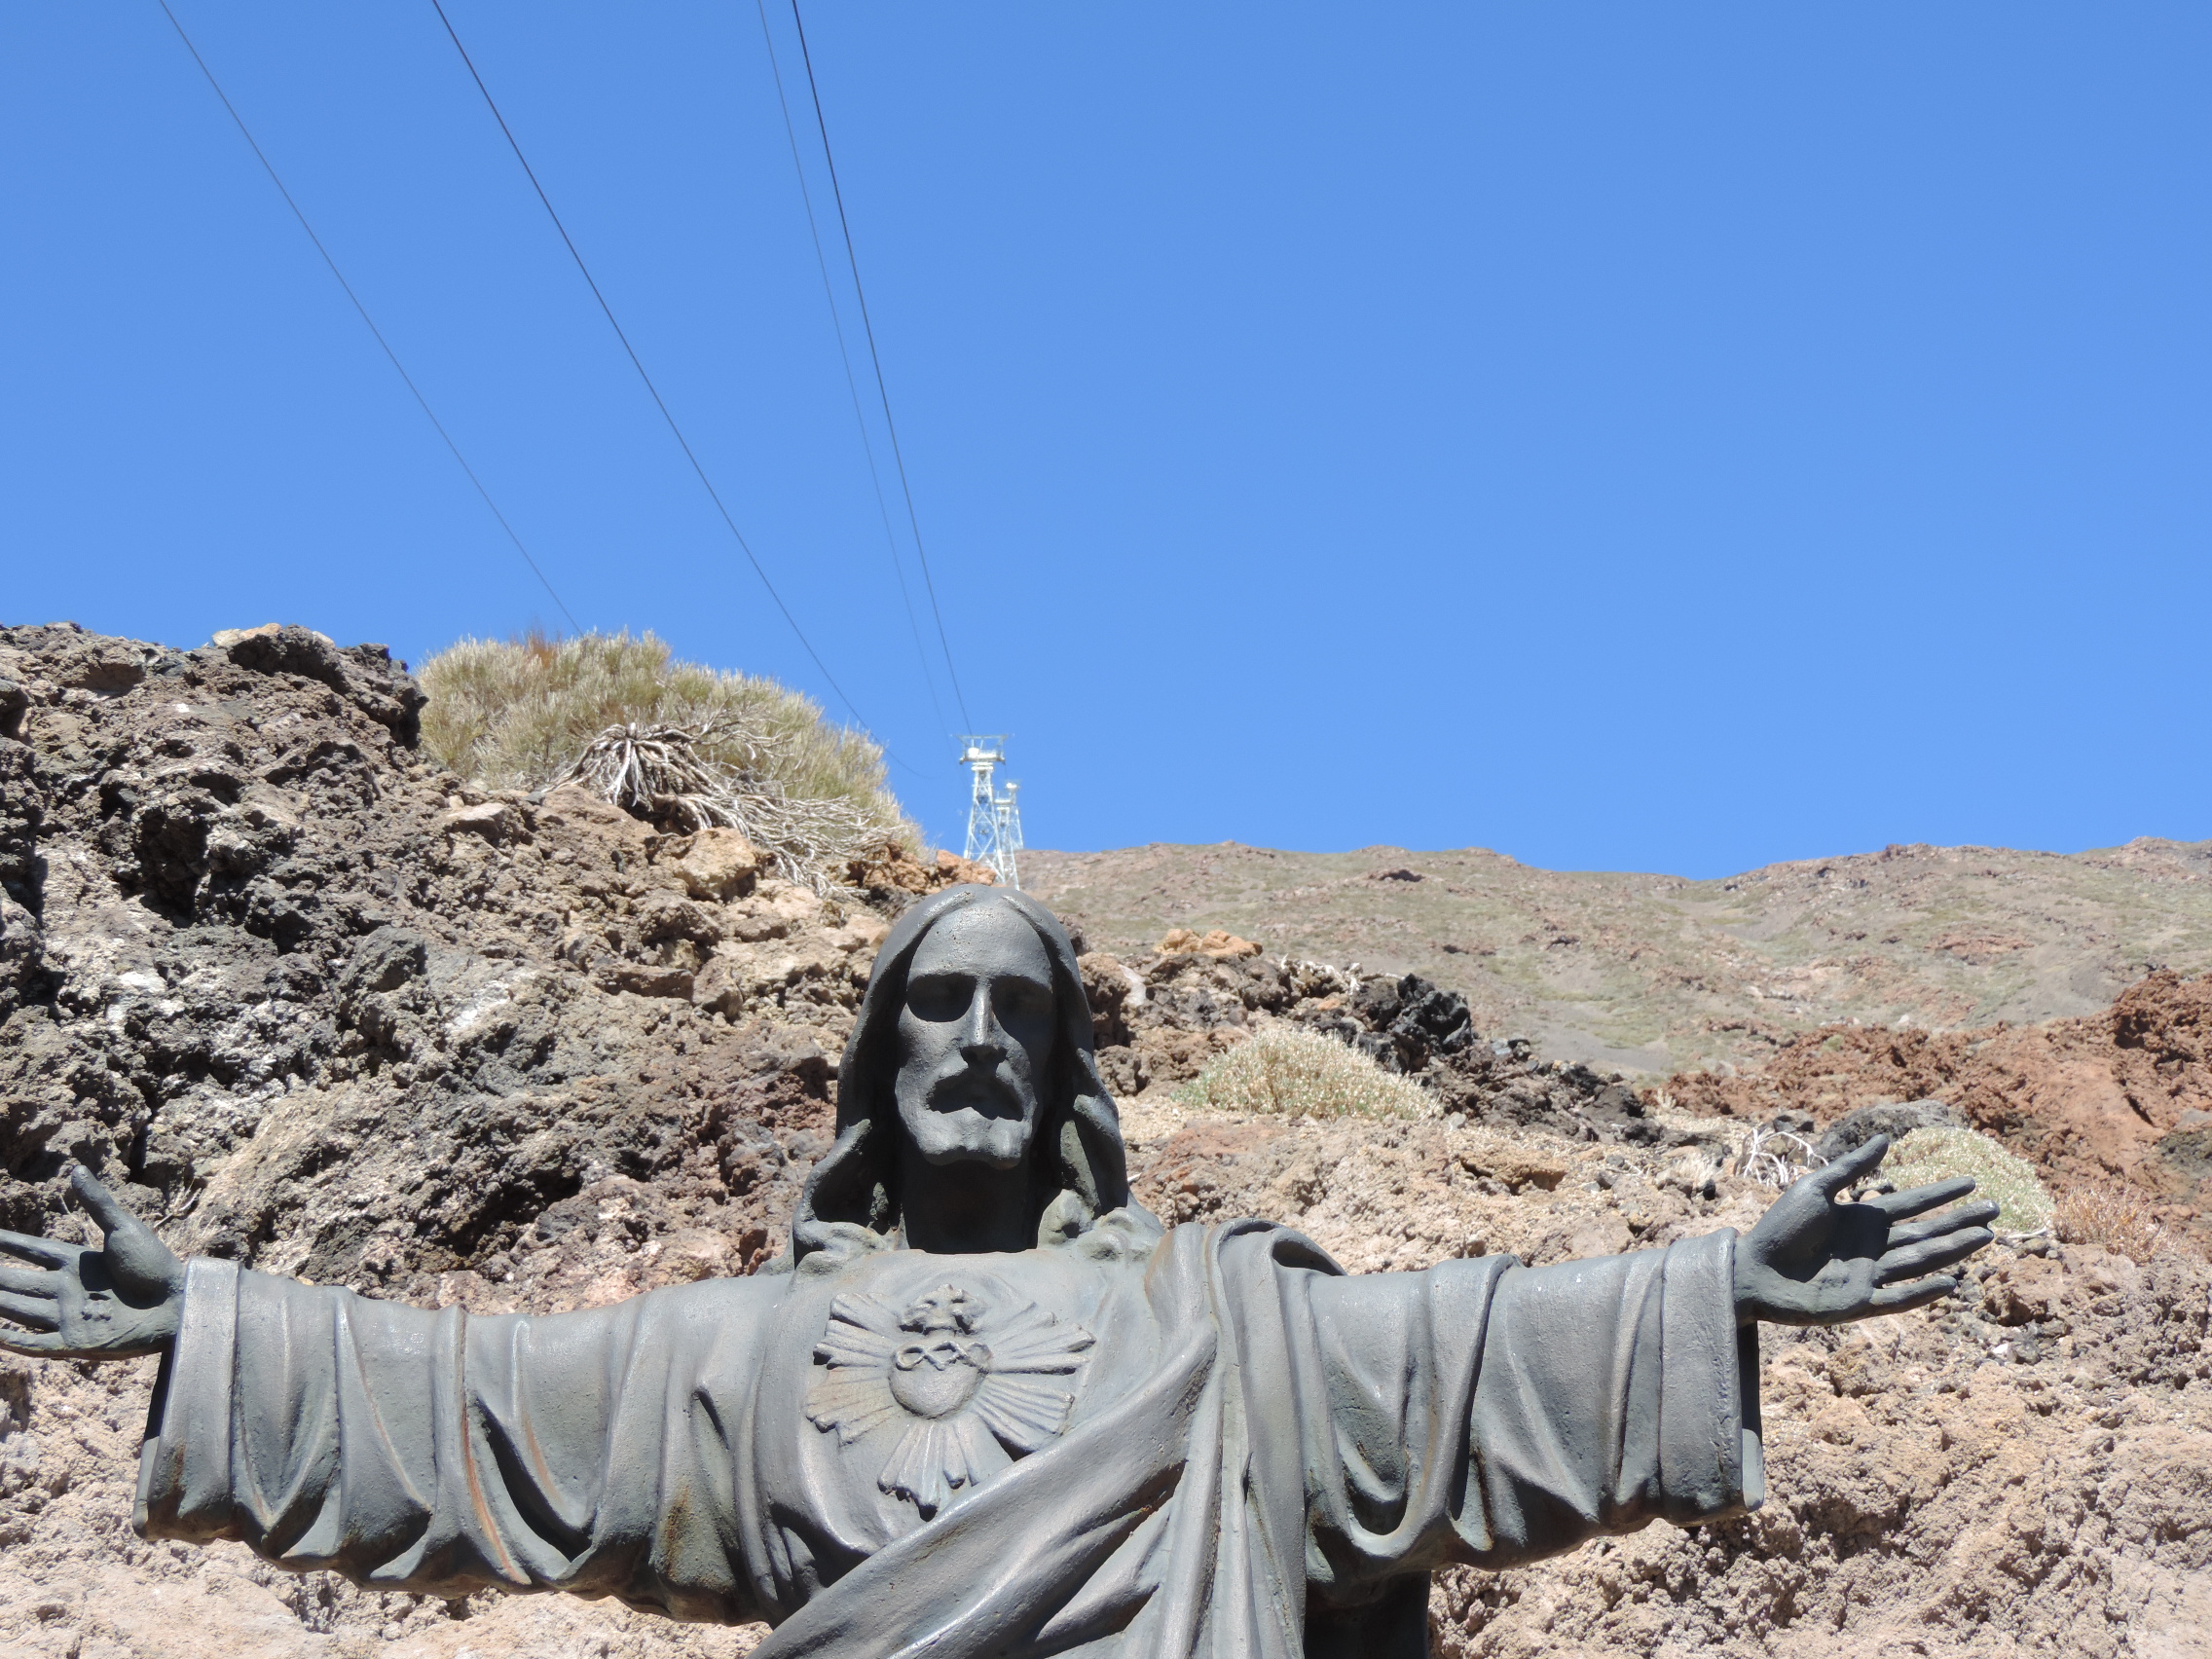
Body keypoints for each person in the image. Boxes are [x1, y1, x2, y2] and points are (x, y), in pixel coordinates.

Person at [0, 885, 1994, 1659]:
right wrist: (219, 1329)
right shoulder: (737, 1350)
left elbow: (1452, 1361)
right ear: (878, 1061)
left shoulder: (1211, 1324)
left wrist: (1713, 1286)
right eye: (928, 1005)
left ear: (1057, 1074)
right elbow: (480, 1413)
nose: (968, 1035)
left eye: (1009, 1013)